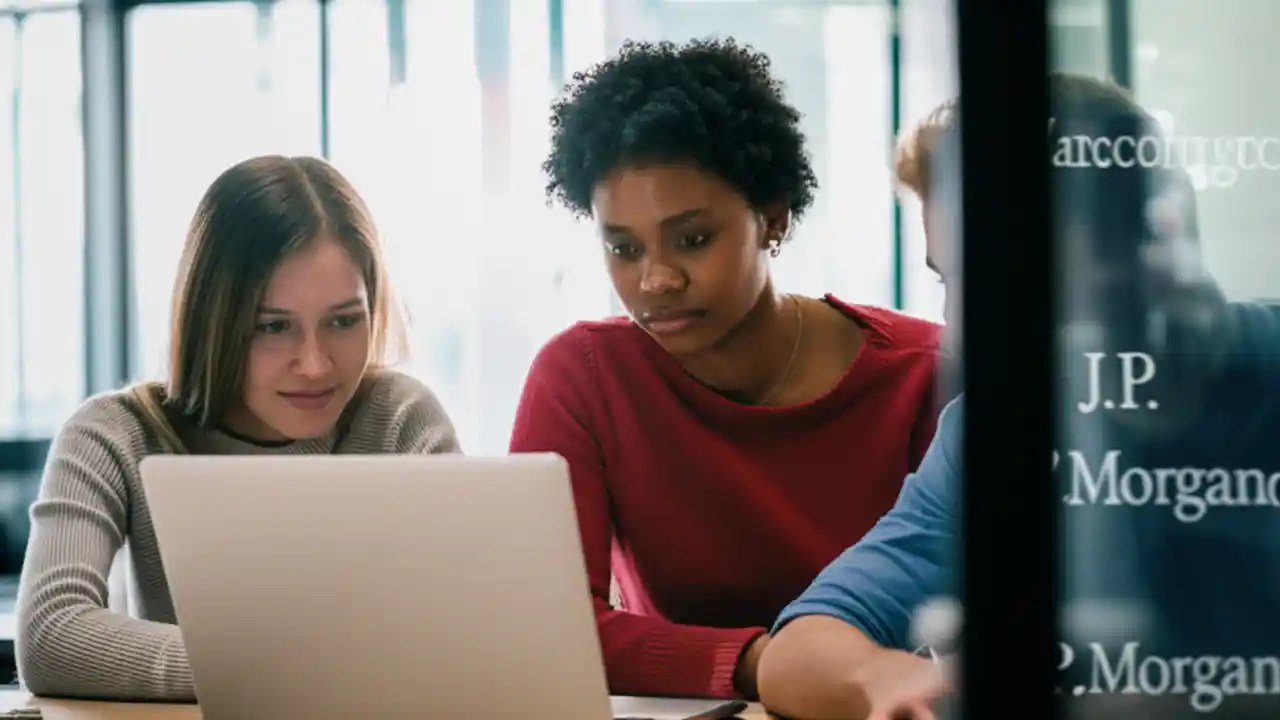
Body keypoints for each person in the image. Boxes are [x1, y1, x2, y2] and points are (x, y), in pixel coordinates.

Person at [757, 73, 1280, 720]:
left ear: (1152, 245)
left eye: (1009, 276)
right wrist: (886, 678)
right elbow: (799, 649)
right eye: (952, 279)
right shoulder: (994, 430)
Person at [509, 37, 943, 700]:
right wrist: (762, 663)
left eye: (692, 239)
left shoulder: (926, 375)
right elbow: (553, 629)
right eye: (623, 248)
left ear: (772, 219)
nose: (656, 279)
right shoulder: (584, 377)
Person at [15, 155, 461, 701]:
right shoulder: (114, 434)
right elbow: (50, 636)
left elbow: (461, 631)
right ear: (213, 321)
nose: (315, 363)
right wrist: (284, 670)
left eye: (344, 321)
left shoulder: (401, 420)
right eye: (273, 327)